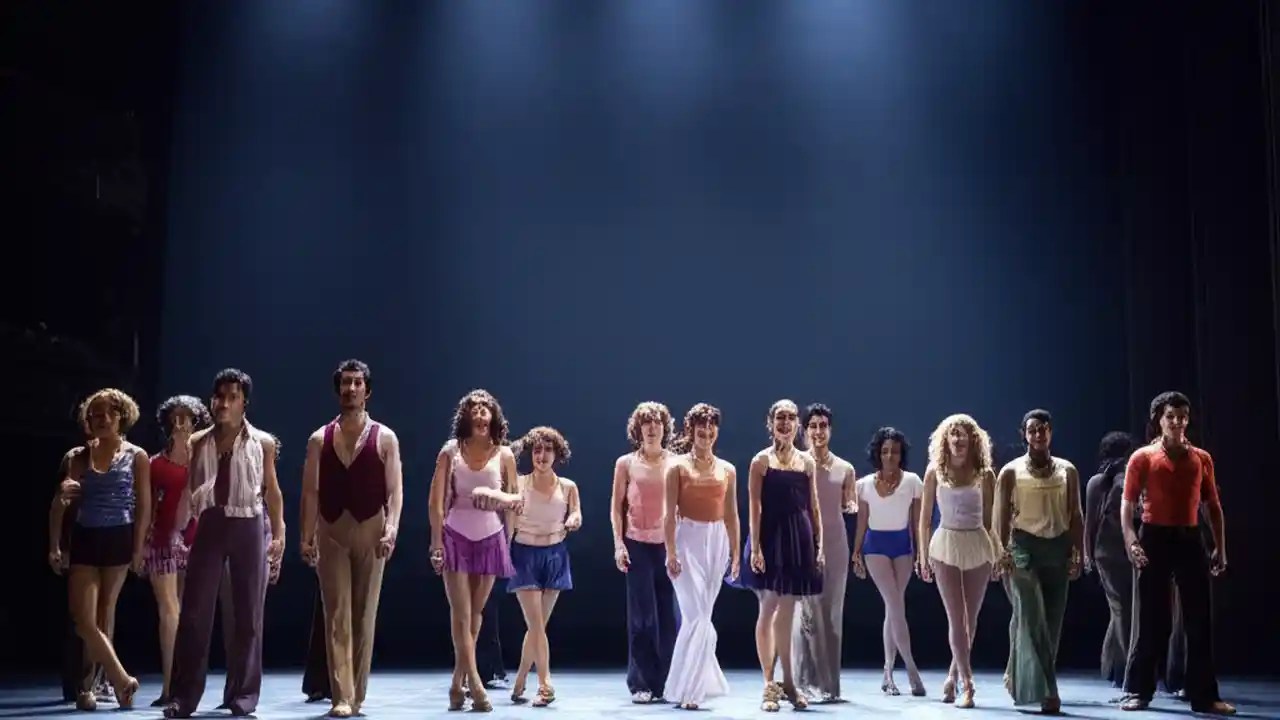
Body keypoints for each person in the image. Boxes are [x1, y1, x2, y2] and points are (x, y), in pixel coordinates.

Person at [164, 369, 286, 719]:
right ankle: (183, 697)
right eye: (219, 396)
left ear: (244, 402)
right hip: (212, 524)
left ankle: (242, 696)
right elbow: (188, 492)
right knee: (194, 613)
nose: (224, 403)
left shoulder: (262, 442)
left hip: (249, 523)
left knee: (248, 614)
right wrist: (176, 532)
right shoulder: (198, 441)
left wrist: (279, 532)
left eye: (232, 397)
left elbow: (272, 491)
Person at [300, 359, 404, 718]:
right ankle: (340, 695)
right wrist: (305, 536)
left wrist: (391, 529)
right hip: (331, 529)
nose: (351, 388)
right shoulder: (318, 438)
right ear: (338, 390)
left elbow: (395, 491)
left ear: (367, 390)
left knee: (364, 614)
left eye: (358, 382)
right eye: (346, 383)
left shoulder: (385, 437)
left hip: (371, 527)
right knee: (337, 615)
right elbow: (310, 492)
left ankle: (357, 693)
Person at [1120, 392, 1234, 715]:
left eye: (1182, 417)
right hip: (1153, 538)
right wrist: (1131, 542)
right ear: (1159, 418)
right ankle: (1140, 691)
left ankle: (1205, 697)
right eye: (1171, 416)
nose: (1177, 422)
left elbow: (1213, 506)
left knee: (1199, 620)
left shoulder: (1201, 458)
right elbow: (1127, 506)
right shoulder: (1142, 458)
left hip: (1189, 538)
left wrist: (1220, 548)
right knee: (1154, 620)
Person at [48, 389, 148, 711]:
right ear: (88, 421)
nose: (103, 419)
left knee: (105, 616)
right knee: (84, 620)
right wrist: (54, 547)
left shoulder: (137, 456)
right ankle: (121, 680)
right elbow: (58, 505)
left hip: (119, 537)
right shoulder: (78, 456)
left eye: (109, 413)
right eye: (96, 415)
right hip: (86, 539)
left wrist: (138, 548)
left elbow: (144, 507)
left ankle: (91, 689)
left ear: (122, 417)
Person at [428, 389, 523, 712]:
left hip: (491, 537)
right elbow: (436, 502)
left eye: (486, 409)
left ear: (493, 416)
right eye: (474, 409)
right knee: (461, 613)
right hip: (455, 535)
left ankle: (457, 683)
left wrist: (495, 498)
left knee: (475, 615)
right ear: (466, 417)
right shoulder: (450, 452)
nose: (481, 414)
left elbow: (516, 500)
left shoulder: (505, 455)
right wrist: (436, 541)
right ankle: (476, 685)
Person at [732, 399, 824, 712]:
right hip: (770, 538)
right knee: (768, 607)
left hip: (797, 539)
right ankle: (769, 683)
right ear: (770, 423)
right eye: (779, 418)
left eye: (790, 418)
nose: (785, 423)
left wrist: (819, 544)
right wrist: (755, 547)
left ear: (798, 424)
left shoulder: (807, 463)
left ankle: (789, 682)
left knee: (788, 612)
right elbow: (754, 507)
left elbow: (813, 508)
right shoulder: (761, 461)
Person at [993, 410, 1084, 713]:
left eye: (1043, 429)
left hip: (1057, 548)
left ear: (1051, 432)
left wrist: (1078, 551)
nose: (1038, 435)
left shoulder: (1067, 470)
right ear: (1025, 435)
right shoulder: (1011, 471)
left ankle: (1016, 672)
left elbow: (1075, 514)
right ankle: (1050, 691)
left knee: (1051, 621)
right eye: (1032, 430)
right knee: (1032, 615)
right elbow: (1001, 517)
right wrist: (1002, 552)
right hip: (1023, 549)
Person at [663, 403, 740, 710]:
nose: (706, 432)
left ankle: (691, 683)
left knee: (703, 615)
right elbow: (669, 514)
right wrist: (670, 550)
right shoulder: (677, 467)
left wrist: (736, 553)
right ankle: (691, 690)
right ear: (690, 431)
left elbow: (732, 514)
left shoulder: (728, 469)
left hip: (717, 541)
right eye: (700, 427)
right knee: (696, 616)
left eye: (711, 427)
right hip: (687, 540)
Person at [918, 413, 998, 709]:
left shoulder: (986, 474)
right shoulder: (934, 472)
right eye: (953, 433)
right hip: (946, 544)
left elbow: (992, 521)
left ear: (973, 439)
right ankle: (968, 684)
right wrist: (923, 556)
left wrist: (997, 554)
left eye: (964, 433)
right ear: (945, 439)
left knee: (970, 619)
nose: (958, 438)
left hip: (977, 543)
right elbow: (924, 520)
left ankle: (952, 676)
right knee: (956, 618)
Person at [505, 426, 582, 706]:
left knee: (538, 626)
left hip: (556, 554)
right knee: (536, 624)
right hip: (524, 553)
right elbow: (509, 521)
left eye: (548, 450)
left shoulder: (568, 486)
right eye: (537, 450)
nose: (542, 455)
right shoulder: (520, 483)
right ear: (530, 454)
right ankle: (545, 683)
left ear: (557, 454)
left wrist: (573, 520)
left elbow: (576, 513)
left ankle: (521, 678)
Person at [144, 395, 211, 706]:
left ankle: (183, 684)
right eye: (176, 417)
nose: (182, 423)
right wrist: (139, 542)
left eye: (188, 418)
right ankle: (170, 686)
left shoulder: (205, 459)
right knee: (168, 610)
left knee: (186, 613)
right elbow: (145, 505)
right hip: (161, 539)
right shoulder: (154, 463)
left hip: (197, 538)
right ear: (167, 421)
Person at [610, 401, 678, 704]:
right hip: (636, 544)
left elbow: (682, 507)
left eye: (657, 422)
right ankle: (640, 683)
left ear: (665, 427)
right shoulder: (626, 463)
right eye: (646, 422)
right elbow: (616, 508)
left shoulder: (676, 462)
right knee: (642, 618)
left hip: (667, 545)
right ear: (638, 429)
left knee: (668, 618)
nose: (652, 427)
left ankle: (665, 682)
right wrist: (619, 544)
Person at [850, 426, 925, 697]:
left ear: (901, 454)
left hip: (902, 547)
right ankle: (912, 668)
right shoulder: (864, 485)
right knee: (894, 604)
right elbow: (861, 522)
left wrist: (921, 554)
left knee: (893, 609)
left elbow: (917, 524)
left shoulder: (914, 481)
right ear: (877, 454)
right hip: (876, 547)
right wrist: (855, 552)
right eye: (885, 451)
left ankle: (888, 673)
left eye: (894, 451)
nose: (890, 456)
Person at [791, 403, 856, 703]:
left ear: (830, 430)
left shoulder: (845, 468)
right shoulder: (795, 463)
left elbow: (849, 505)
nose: (818, 431)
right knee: (805, 616)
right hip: (804, 543)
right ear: (805, 430)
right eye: (813, 426)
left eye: (823, 426)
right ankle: (802, 682)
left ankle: (829, 686)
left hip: (836, 544)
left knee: (832, 614)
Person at [1083, 430, 1136, 689]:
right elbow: (1089, 522)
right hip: (1107, 554)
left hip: (1129, 551)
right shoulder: (1098, 482)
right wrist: (1087, 555)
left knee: (1122, 611)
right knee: (1122, 609)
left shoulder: (1134, 478)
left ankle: (1111, 668)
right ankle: (1127, 672)